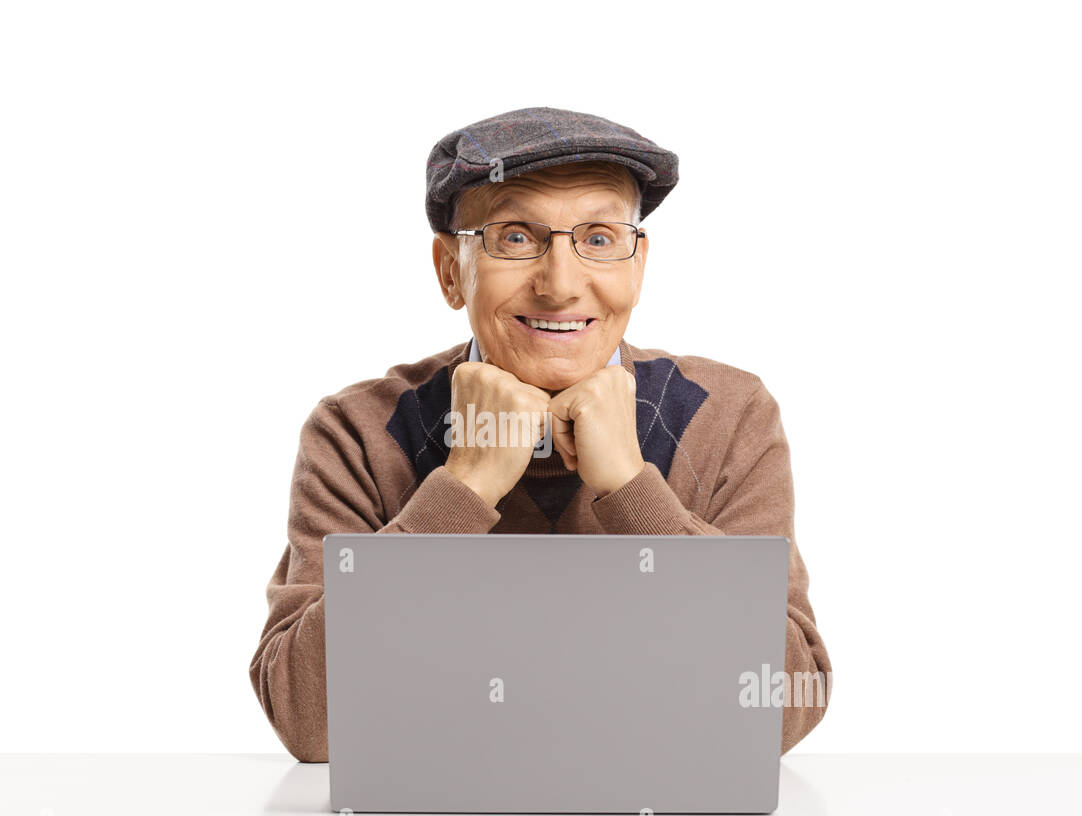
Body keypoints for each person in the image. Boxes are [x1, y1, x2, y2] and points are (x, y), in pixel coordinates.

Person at [250, 106, 832, 762]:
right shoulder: (358, 432)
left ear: (638, 267)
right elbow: (310, 725)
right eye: (515, 238)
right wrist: (465, 487)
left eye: (600, 238)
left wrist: (631, 487)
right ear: (449, 271)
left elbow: (781, 710)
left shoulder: (725, 416)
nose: (560, 284)